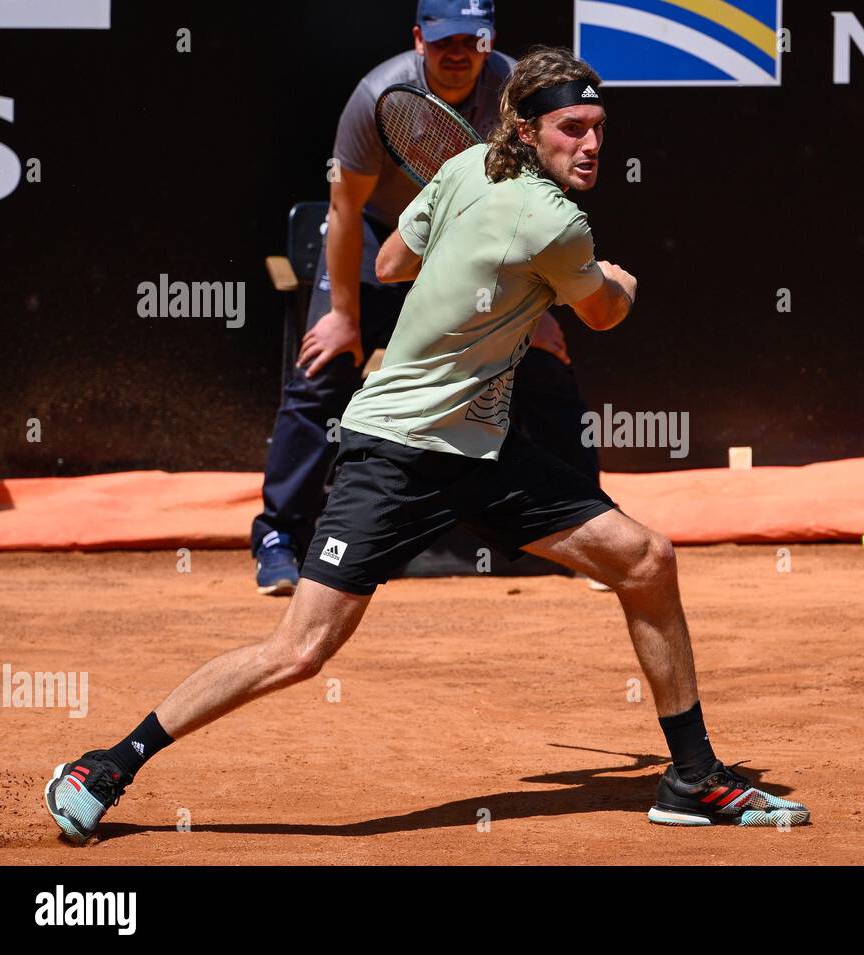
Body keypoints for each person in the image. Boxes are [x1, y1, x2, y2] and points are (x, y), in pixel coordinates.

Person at [43, 48, 810, 844]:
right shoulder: (557, 221)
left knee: (645, 558)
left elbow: (389, 260)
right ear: (525, 128)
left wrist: (471, 257)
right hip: (399, 451)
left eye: (599, 130)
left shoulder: (470, 164)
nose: (589, 145)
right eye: (571, 128)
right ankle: (105, 764)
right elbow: (605, 315)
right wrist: (618, 280)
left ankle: (692, 776)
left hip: (480, 445)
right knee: (300, 649)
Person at [253, 0, 598, 595]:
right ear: (419, 39)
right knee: (323, 368)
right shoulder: (376, 95)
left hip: (475, 245)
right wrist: (342, 315)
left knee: (546, 369)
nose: (459, 53)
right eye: (444, 41)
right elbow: (344, 207)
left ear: (488, 42)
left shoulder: (518, 94)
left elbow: (541, 208)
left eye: (472, 39)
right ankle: (279, 537)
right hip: (382, 238)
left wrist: (532, 313)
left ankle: (592, 529)